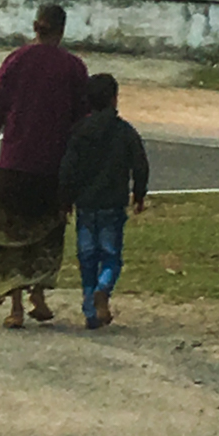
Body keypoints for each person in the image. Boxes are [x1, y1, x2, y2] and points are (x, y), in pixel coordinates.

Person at [0, 4, 89, 328]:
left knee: (11, 235)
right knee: (47, 234)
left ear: (36, 27)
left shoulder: (16, 61)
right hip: (54, 168)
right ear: (62, 30)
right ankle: (38, 293)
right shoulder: (74, 68)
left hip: (15, 164)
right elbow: (81, 121)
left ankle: (16, 307)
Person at [58, 73, 149, 330]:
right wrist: (139, 193)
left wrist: (65, 199)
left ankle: (90, 309)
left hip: (86, 204)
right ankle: (103, 288)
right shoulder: (125, 132)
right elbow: (140, 165)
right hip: (113, 203)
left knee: (87, 256)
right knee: (110, 256)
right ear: (114, 99)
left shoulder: (79, 132)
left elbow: (68, 168)